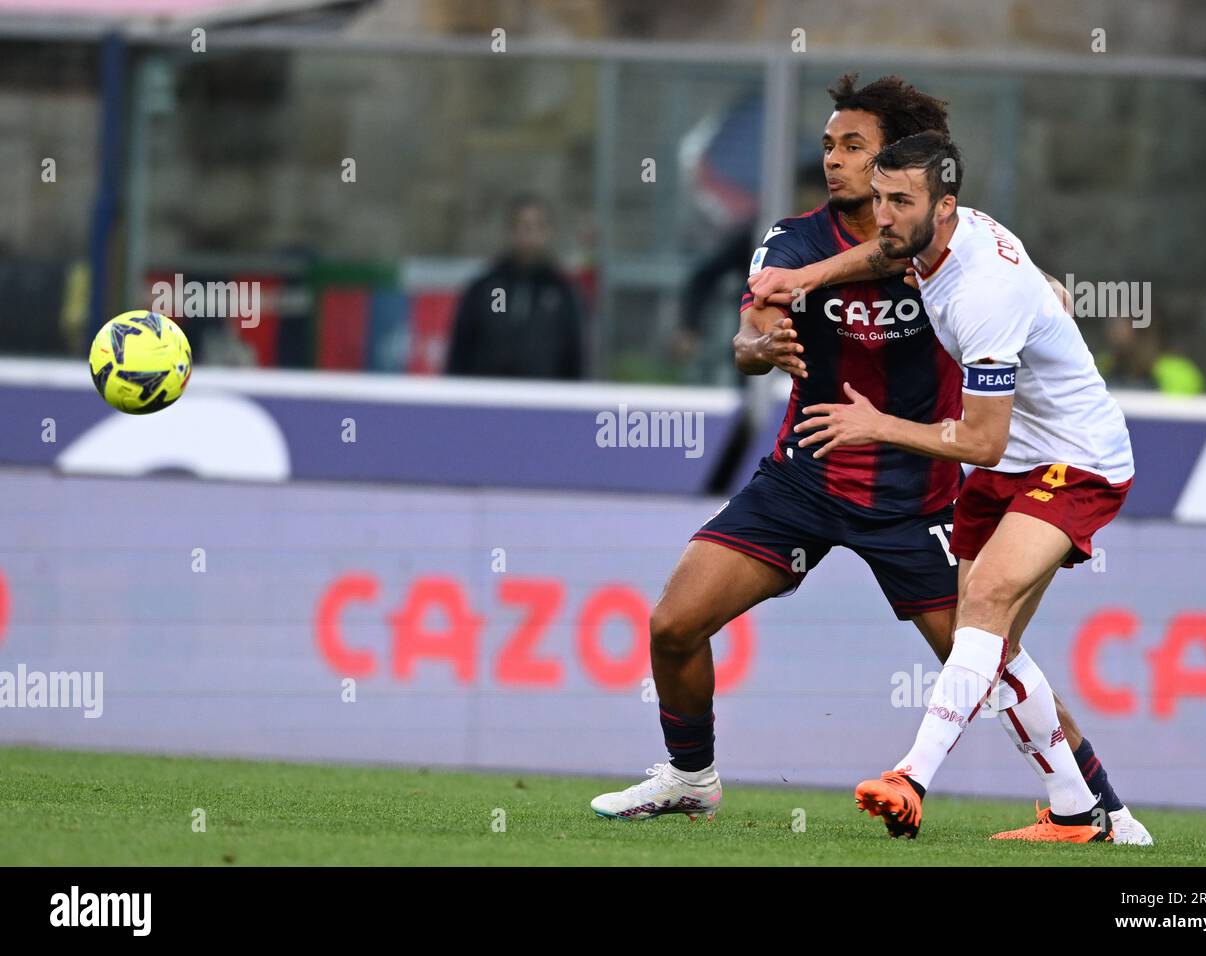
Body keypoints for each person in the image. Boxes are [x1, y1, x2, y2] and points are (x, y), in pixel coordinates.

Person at [591, 76, 1150, 845]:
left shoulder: (944, 251)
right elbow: (758, 316)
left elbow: (945, 275)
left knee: (987, 654)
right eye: (828, 146)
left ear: (904, 167)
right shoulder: (794, 239)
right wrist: (756, 343)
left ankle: (1099, 805)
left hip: (916, 495)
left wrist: (1048, 297)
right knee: (673, 623)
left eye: (853, 147)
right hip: (805, 476)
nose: (834, 161)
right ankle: (690, 779)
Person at [789, 131, 1136, 842]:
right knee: (990, 645)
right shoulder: (940, 237)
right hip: (1010, 466)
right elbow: (1040, 296)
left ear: (945, 207)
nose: (882, 217)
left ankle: (911, 776)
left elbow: (981, 438)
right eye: (878, 197)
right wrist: (801, 279)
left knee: (981, 607)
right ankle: (1086, 814)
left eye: (899, 202)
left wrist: (876, 425)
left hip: (1076, 461)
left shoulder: (980, 292)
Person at [445, 196, 584, 380]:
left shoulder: (562, 293)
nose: (529, 235)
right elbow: (461, 351)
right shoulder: (488, 289)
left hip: (546, 398)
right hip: (489, 395)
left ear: (548, 232)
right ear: (510, 231)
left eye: (537, 227)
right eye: (523, 226)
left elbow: (575, 357)